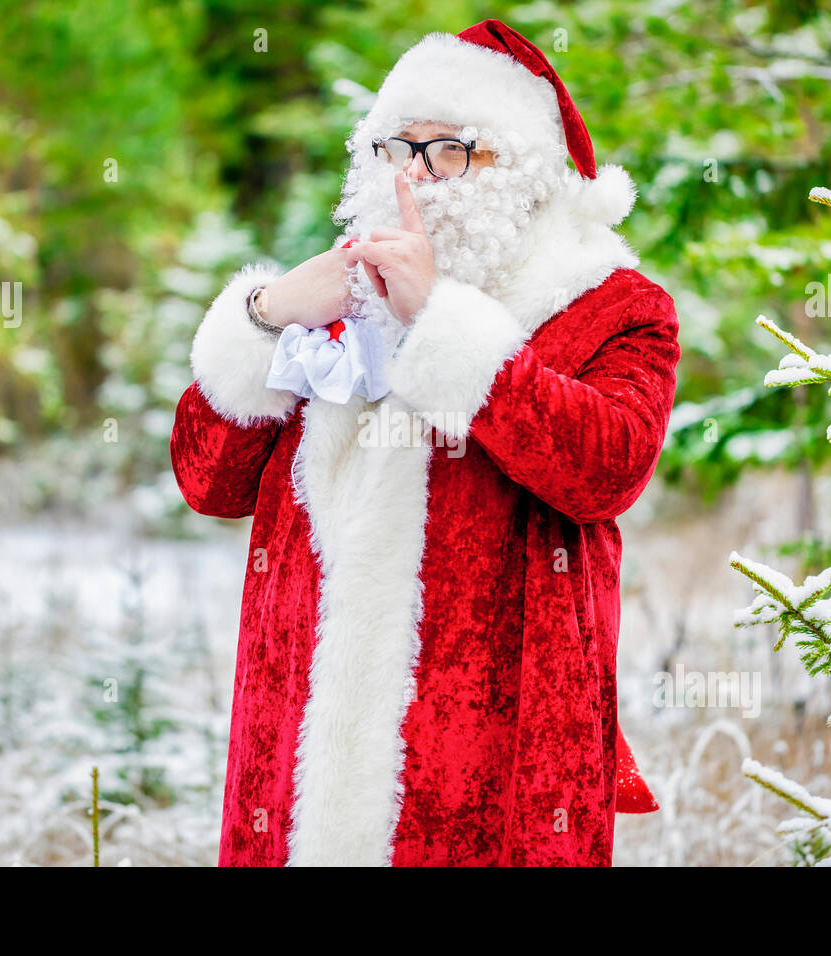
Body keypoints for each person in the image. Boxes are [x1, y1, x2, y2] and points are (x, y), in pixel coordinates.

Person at [171, 18, 678, 866]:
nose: (413, 175)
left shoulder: (610, 306)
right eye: (394, 147)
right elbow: (206, 482)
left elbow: (608, 469)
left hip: (493, 768)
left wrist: (441, 324)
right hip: (301, 762)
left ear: (521, 171)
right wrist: (265, 316)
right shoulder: (333, 294)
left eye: (449, 150)